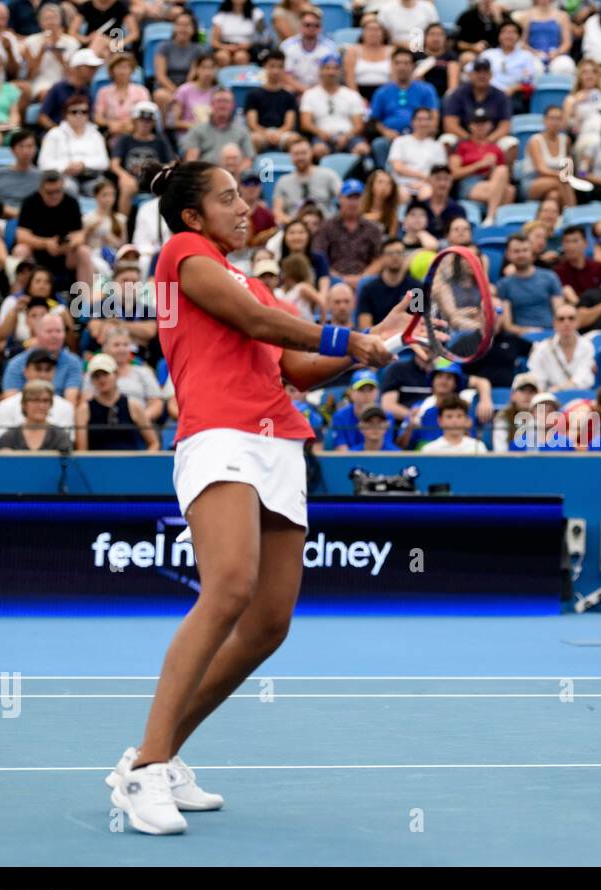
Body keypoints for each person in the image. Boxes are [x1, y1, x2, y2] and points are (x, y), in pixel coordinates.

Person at [103, 158, 411, 836]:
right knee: (229, 588)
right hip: (220, 435)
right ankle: (146, 770)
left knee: (269, 623)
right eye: (228, 198)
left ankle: (162, 752)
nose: (245, 207)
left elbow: (298, 365)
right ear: (192, 215)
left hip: (279, 443)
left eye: (245, 196)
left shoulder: (254, 282)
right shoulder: (185, 255)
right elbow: (255, 322)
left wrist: (383, 336)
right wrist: (348, 336)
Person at [312, 179, 384, 287]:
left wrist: (362, 278)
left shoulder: (373, 228)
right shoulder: (326, 227)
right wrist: (339, 279)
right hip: (333, 279)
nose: (353, 203)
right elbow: (318, 256)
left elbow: (379, 259)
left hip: (365, 281)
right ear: (340, 199)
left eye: (357, 198)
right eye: (349, 198)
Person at [0, 347, 76, 430]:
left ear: (54, 372)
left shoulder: (66, 407)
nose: (43, 375)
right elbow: (3, 441)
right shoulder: (6, 406)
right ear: (25, 372)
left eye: (48, 369)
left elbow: (65, 441)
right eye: (38, 369)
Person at [496, 234, 564, 334]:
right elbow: (507, 325)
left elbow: (560, 313)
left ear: (532, 252)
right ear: (508, 254)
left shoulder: (550, 277)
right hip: (519, 337)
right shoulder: (504, 284)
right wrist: (527, 331)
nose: (521, 255)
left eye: (525, 250)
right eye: (516, 251)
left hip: (550, 333)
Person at [272, 137, 341, 225]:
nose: (300, 157)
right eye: (296, 154)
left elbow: (344, 198)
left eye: (303, 153)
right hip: (295, 230)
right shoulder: (283, 181)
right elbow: (277, 212)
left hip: (325, 227)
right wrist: (293, 225)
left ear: (311, 153)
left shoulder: (328, 175)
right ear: (290, 156)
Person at [527, 306, 596, 393]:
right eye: (561, 319)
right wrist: (544, 398)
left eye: (571, 318)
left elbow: (584, 379)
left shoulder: (587, 346)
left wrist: (559, 389)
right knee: (540, 405)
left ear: (577, 322)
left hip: (579, 397)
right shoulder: (541, 349)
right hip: (549, 399)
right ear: (554, 323)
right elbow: (537, 381)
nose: (566, 322)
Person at [244, 50, 301, 155]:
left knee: (296, 140)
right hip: (261, 133)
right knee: (253, 139)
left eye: (280, 67)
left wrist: (278, 133)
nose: (276, 71)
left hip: (282, 133)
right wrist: (267, 133)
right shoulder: (253, 94)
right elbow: (252, 124)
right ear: (265, 67)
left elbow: (289, 124)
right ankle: (250, 169)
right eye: (272, 66)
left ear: (284, 69)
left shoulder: (289, 96)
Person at [180, 89, 254, 166]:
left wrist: (234, 175)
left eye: (226, 101)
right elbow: (191, 160)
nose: (222, 105)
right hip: (206, 174)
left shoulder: (242, 131)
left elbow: (248, 160)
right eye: (218, 101)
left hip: (233, 174)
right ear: (211, 104)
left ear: (233, 105)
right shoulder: (197, 129)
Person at [0, 379, 73, 450]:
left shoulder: (61, 436)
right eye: (35, 400)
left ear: (51, 404)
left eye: (45, 401)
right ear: (24, 404)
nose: (41, 406)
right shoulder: (9, 437)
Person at [419, 394, 487, 454]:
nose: (454, 421)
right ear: (440, 421)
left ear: (466, 420)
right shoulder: (429, 450)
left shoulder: (478, 448)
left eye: (459, 416)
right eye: (449, 416)